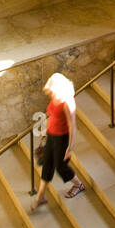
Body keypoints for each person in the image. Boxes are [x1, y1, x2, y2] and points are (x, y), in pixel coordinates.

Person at [29, 73, 85, 210]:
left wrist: (70, 148)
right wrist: (45, 130)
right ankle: (40, 196)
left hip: (62, 138)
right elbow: (51, 114)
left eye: (52, 89)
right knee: (47, 164)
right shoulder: (55, 97)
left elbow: (72, 126)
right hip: (52, 135)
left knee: (60, 166)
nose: (50, 92)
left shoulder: (67, 102)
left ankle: (78, 184)